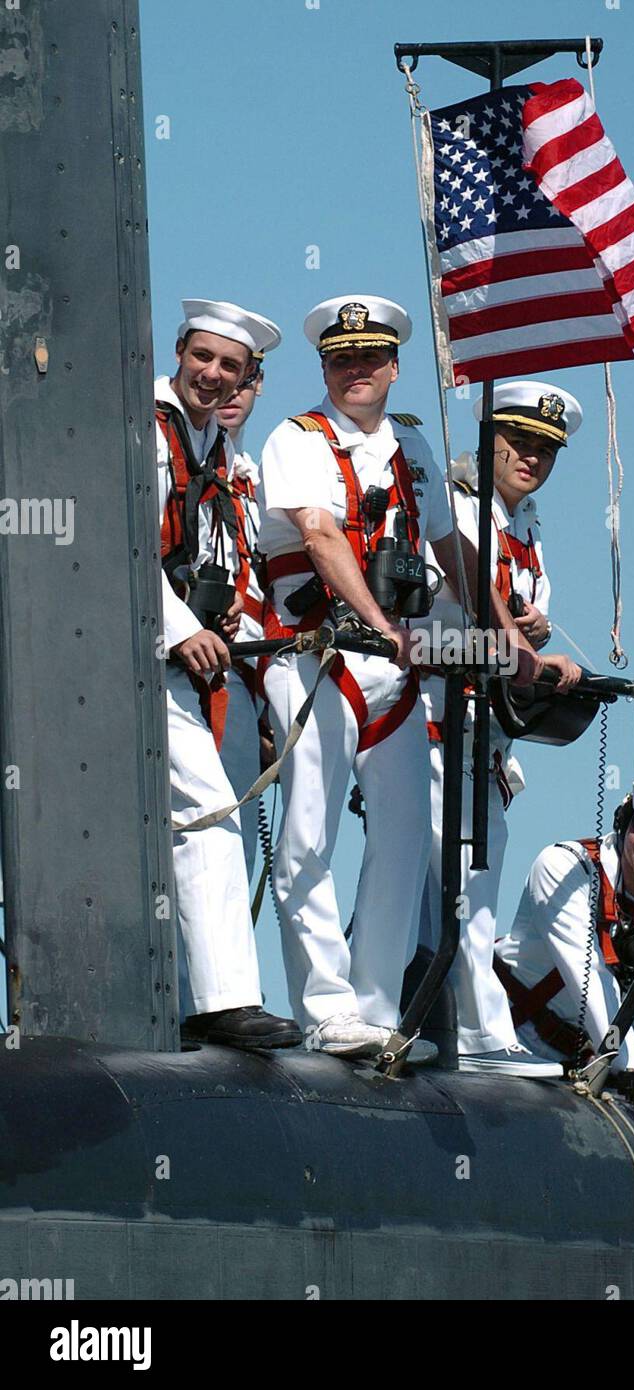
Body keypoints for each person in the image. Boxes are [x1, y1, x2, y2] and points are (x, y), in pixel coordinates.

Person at [258, 294, 580, 1057]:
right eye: (342, 359)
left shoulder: (412, 448)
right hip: (318, 658)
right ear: (325, 368)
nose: (357, 370)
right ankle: (325, 1009)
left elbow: (454, 552)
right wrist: (380, 623)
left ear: (395, 367)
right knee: (308, 836)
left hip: (394, 673)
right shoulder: (297, 439)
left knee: (404, 842)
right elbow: (321, 534)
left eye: (370, 358)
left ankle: (375, 1012)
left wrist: (510, 641)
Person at [417, 382, 583, 1079]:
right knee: (463, 877)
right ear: (489, 444)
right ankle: (481, 1032)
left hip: (488, 733)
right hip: (438, 716)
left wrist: (533, 630)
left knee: (444, 884)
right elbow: (451, 599)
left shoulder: (525, 524)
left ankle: (412, 1018)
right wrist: (520, 638)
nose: (531, 458)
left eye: (546, 449)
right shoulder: (459, 508)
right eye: (518, 443)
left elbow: (513, 610)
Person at [157, 298, 300, 1050]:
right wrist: (183, 627)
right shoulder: (146, 430)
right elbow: (118, 540)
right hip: (145, 654)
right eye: (203, 358)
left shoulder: (213, 444)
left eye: (230, 367)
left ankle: (194, 999)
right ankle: (220, 1003)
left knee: (215, 819)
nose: (213, 375)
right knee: (208, 812)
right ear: (179, 351)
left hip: (199, 664)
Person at [494, 773, 634, 1097]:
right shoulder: (565, 868)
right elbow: (591, 977)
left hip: (587, 1062)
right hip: (507, 1044)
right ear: (624, 821)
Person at [214, 349, 275, 880]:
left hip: (249, 685)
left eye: (245, 381)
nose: (231, 393)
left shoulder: (256, 481)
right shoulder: (177, 461)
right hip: (201, 671)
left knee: (237, 854)